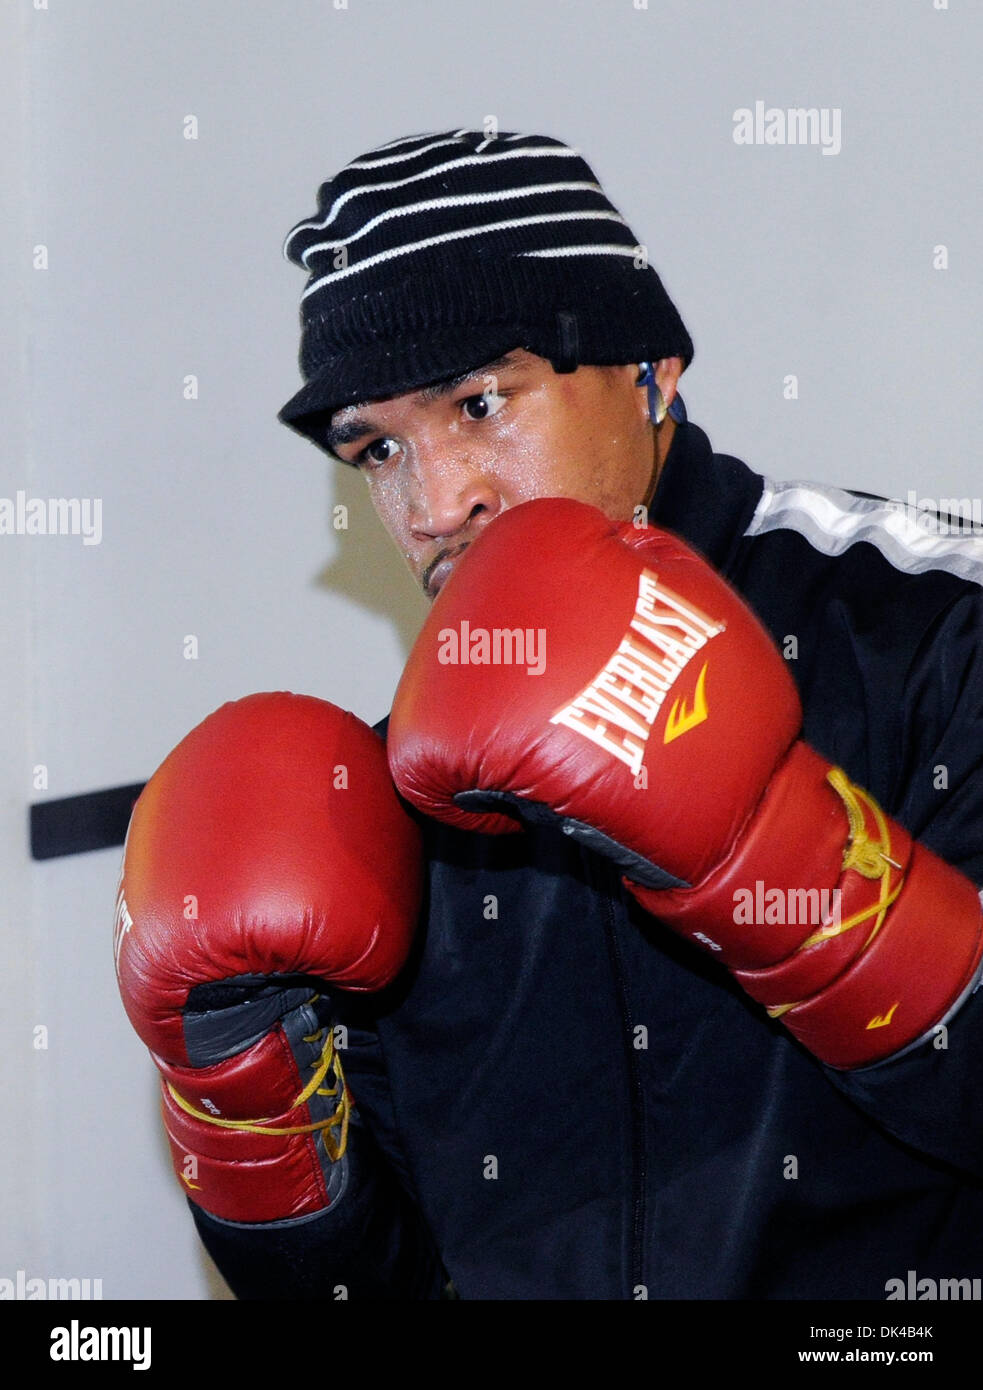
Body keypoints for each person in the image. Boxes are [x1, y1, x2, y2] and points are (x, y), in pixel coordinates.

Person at [115, 129, 983, 1300]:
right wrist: (248, 1111)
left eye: (477, 403)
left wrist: (783, 858)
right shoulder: (384, 801)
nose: (434, 504)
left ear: (650, 369)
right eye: (377, 449)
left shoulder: (923, 625)